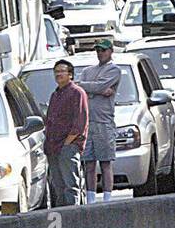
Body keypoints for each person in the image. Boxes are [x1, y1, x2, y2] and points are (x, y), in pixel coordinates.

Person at [77, 39, 121, 203]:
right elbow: (83, 89)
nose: (100, 53)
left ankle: (108, 199)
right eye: (98, 50)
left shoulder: (114, 70)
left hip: (104, 122)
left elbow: (98, 86)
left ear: (110, 51)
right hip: (88, 123)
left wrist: (94, 88)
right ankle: (90, 199)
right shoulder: (88, 71)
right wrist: (96, 89)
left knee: (105, 162)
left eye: (103, 50)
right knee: (88, 163)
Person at [43, 59, 88, 206]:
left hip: (68, 146)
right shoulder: (55, 95)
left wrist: (68, 143)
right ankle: (61, 218)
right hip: (53, 148)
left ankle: (73, 218)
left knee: (71, 186)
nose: (58, 74)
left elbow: (80, 122)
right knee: (58, 187)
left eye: (62, 71)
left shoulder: (77, 93)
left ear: (70, 74)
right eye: (56, 72)